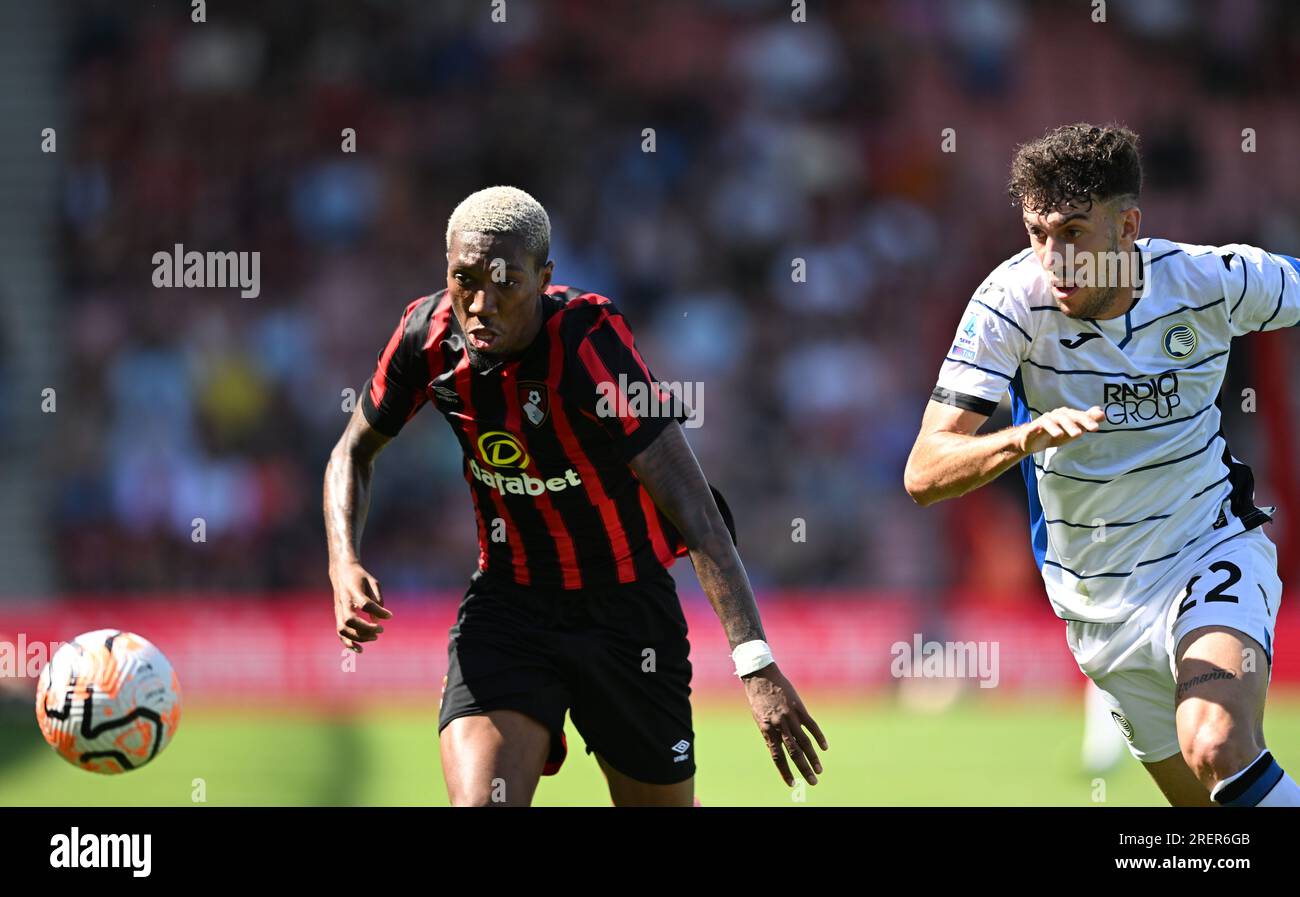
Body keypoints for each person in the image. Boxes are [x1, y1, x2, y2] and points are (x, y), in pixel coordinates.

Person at [323, 186, 826, 806]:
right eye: (464, 279)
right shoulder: (425, 337)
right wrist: (343, 560)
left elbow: (692, 507)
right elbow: (352, 451)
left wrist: (755, 664)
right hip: (509, 606)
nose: (481, 304)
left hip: (626, 614)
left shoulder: (590, 345)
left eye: (505, 282)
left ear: (544, 277)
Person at [905, 124, 1300, 807]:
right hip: (1099, 608)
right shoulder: (1009, 306)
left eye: (1073, 232)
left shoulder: (1211, 281)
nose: (1053, 258)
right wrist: (1020, 438)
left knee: (1216, 745)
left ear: (1128, 226)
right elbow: (923, 470)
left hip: (1207, 552)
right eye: (1037, 233)